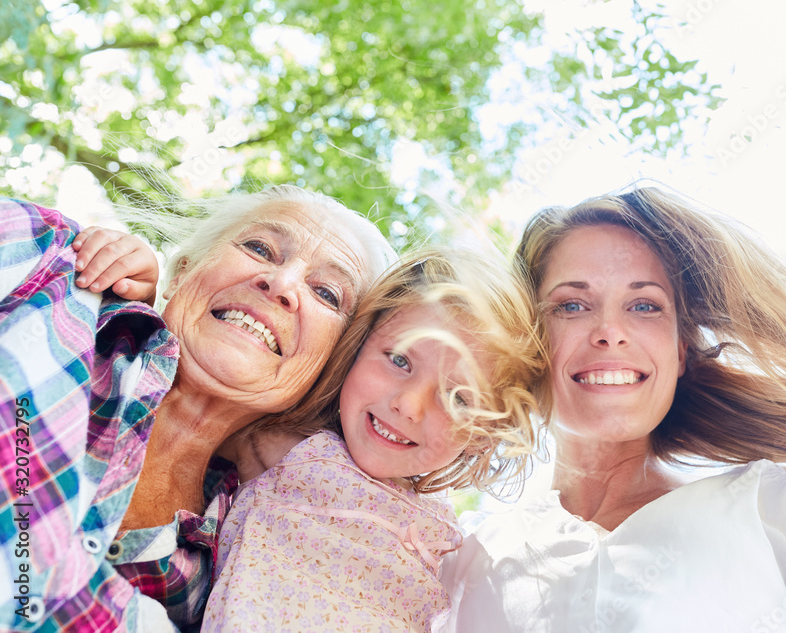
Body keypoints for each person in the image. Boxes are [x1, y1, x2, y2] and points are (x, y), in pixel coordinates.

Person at [440, 185, 786, 632]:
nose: (609, 330)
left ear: (680, 352)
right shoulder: (462, 560)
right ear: (529, 340)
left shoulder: (775, 507)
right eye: (571, 305)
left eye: (644, 305)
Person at [0, 185, 396, 631]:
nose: (281, 284)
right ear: (182, 271)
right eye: (259, 248)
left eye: (327, 293)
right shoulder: (50, 263)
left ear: (332, 372)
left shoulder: (237, 582)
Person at [199, 248, 545, 631]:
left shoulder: (452, 546)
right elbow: (175, 423)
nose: (409, 406)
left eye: (458, 398)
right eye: (399, 360)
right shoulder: (293, 448)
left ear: (484, 435)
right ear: (358, 343)